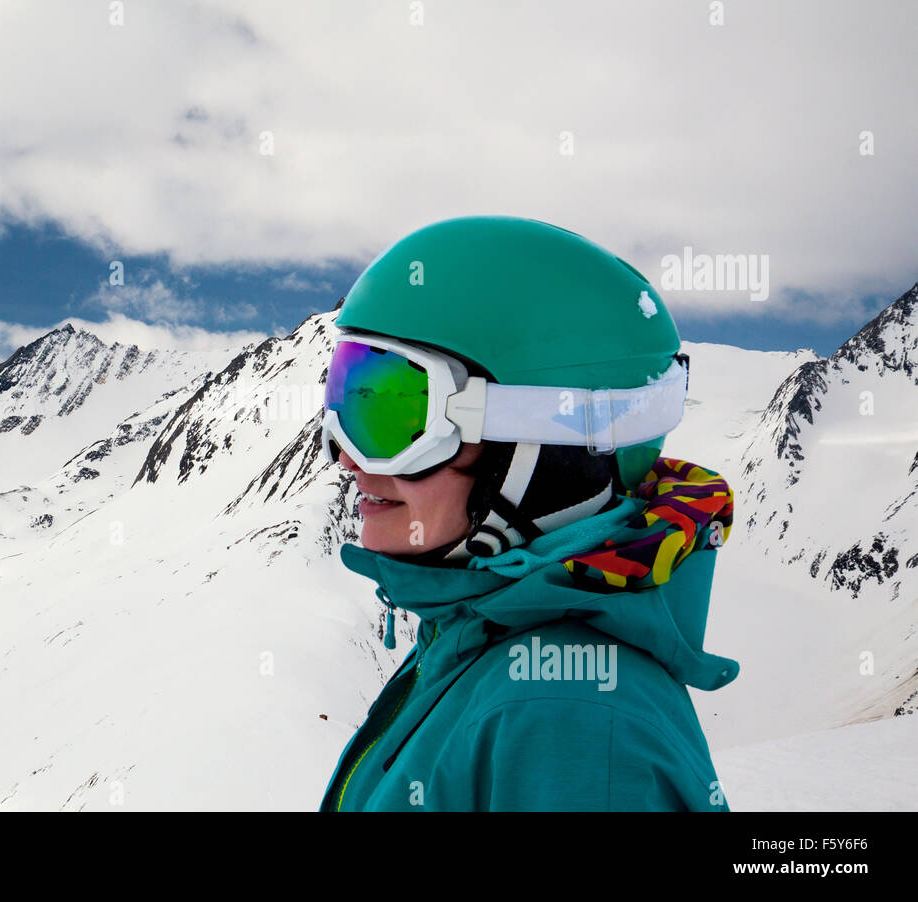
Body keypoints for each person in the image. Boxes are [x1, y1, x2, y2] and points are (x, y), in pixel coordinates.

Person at [316, 216, 738, 811]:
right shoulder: (475, 629)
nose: (346, 459)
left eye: (397, 418)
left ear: (543, 453)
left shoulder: (570, 722)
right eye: (346, 399)